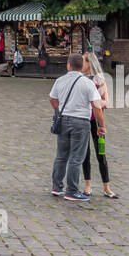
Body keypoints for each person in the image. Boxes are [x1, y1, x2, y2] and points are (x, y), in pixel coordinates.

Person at [49, 53, 105, 201]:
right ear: (81, 67)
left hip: (63, 120)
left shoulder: (60, 80)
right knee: (76, 157)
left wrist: (59, 111)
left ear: (68, 65)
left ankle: (56, 187)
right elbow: (97, 106)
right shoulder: (87, 83)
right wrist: (101, 126)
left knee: (61, 155)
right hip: (81, 122)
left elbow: (53, 99)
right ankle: (72, 190)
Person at [81, 52, 116, 199]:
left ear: (90, 63)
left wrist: (95, 101)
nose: (80, 63)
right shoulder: (80, 79)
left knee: (101, 153)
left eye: (83, 61)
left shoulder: (99, 80)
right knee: (85, 154)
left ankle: (106, 187)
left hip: (96, 121)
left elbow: (106, 102)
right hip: (82, 120)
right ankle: (87, 186)